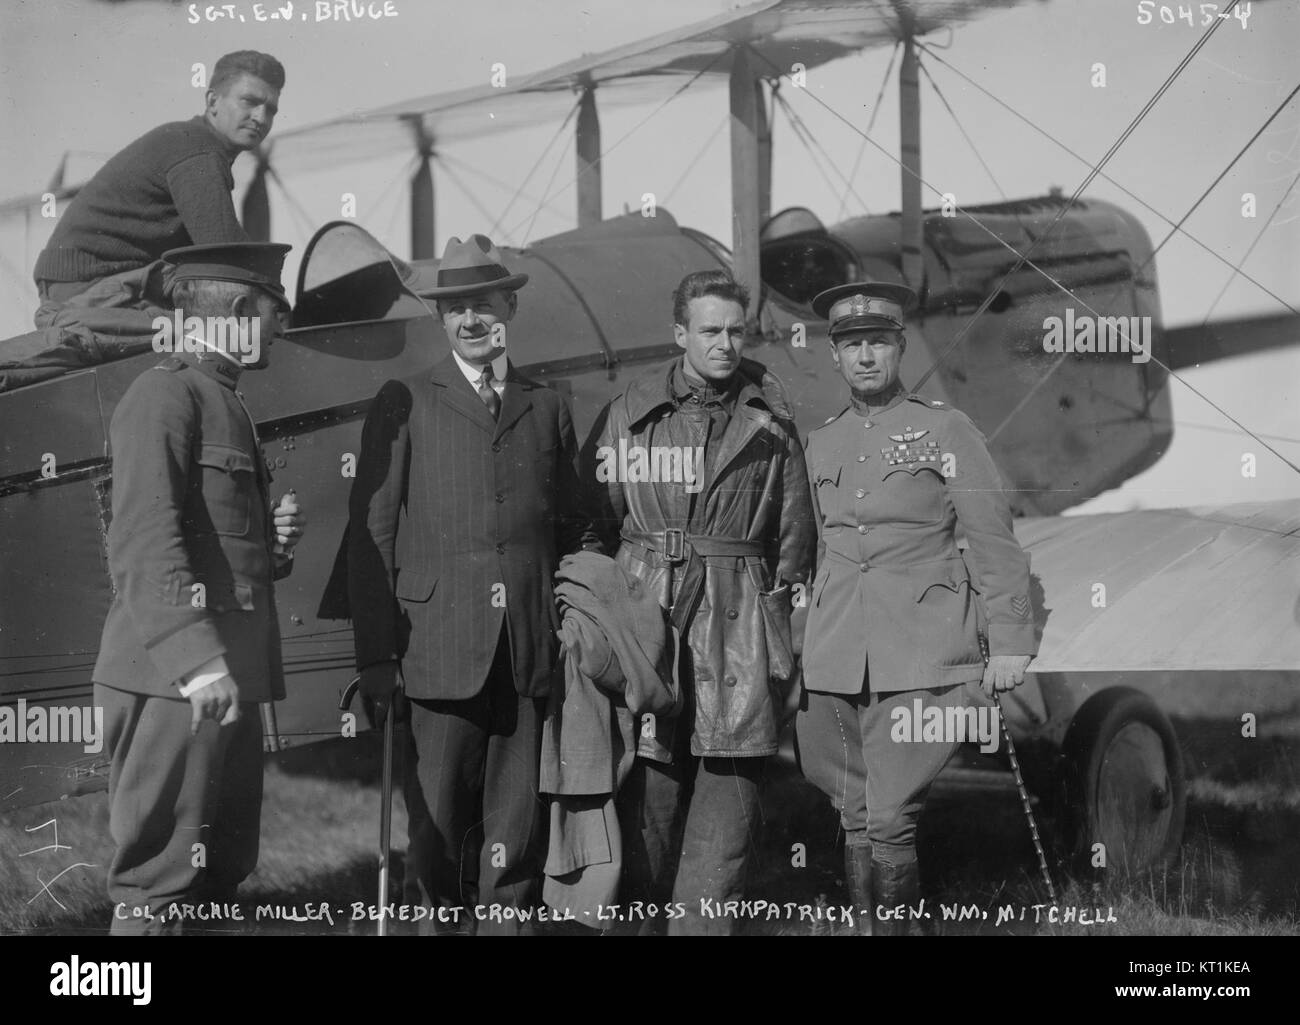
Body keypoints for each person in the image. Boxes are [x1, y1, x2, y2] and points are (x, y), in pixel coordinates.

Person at [347, 234, 596, 935]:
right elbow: (372, 540)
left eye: (482, 304)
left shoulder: (547, 405)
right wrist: (374, 657)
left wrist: (570, 618)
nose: (469, 320)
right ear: (439, 318)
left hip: (523, 653)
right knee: (436, 829)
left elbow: (574, 528)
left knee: (513, 832)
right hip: (434, 653)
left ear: (508, 304)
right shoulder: (405, 401)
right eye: (454, 308)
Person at [795, 282, 1038, 935]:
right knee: (852, 808)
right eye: (852, 345)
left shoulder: (945, 427)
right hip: (836, 655)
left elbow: (992, 538)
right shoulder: (820, 442)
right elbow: (816, 548)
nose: (866, 356)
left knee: (891, 813)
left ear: (900, 346)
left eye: (878, 342)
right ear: (835, 357)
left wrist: (1012, 638)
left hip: (922, 651)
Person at [581, 269, 815, 935]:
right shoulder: (627, 413)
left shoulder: (772, 420)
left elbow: (794, 538)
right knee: (646, 815)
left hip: (740, 631)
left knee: (725, 827)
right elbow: (593, 523)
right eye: (710, 330)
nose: (725, 343)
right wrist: (609, 619)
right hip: (649, 629)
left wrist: (777, 630)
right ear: (679, 332)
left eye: (736, 330)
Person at [92, 241, 305, 934]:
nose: (279, 327)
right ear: (243, 309)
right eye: (275, 312)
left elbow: (211, 548)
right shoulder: (165, 393)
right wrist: (196, 662)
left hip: (216, 678)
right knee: (161, 880)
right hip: (176, 680)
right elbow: (143, 541)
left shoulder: (222, 398)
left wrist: (268, 549)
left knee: (217, 872)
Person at [32, 51, 284, 341]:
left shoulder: (194, 144)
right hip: (87, 289)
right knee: (224, 333)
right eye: (249, 102)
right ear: (213, 101)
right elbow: (228, 255)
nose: (261, 118)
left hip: (95, 283)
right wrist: (279, 307)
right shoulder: (198, 150)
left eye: (271, 110)